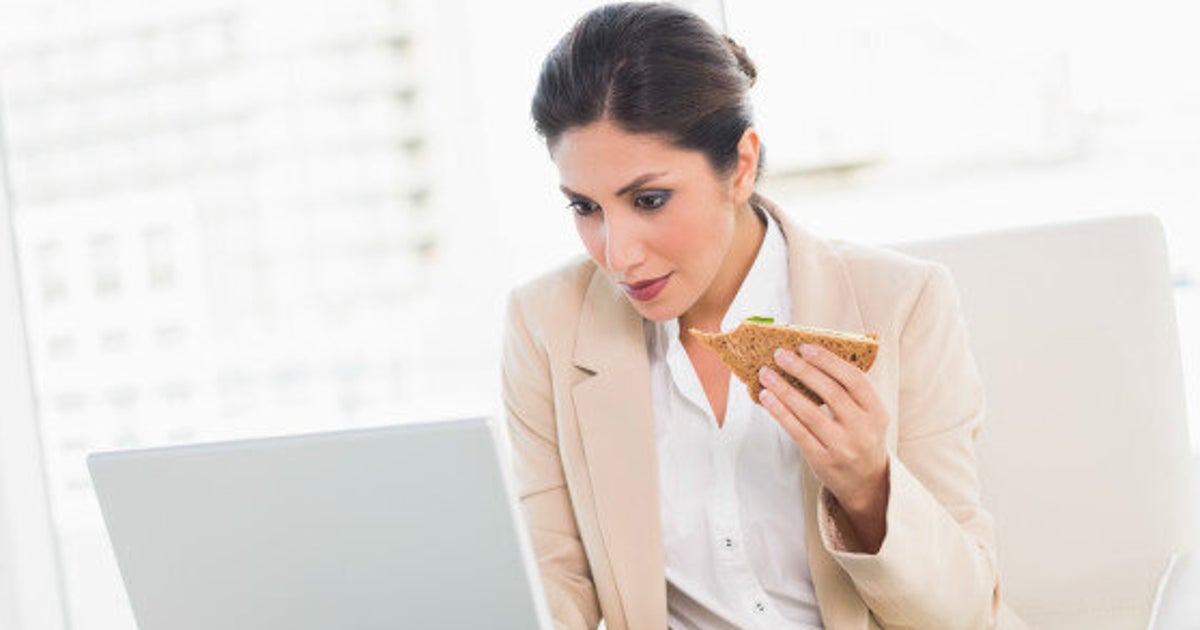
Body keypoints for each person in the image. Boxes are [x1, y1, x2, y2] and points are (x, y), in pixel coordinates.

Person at [501, 3, 1027, 628]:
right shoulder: (546, 326)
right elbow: (550, 588)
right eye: (585, 207)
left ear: (741, 165)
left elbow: (967, 615)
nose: (617, 255)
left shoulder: (904, 303)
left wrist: (867, 487)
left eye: (650, 199)